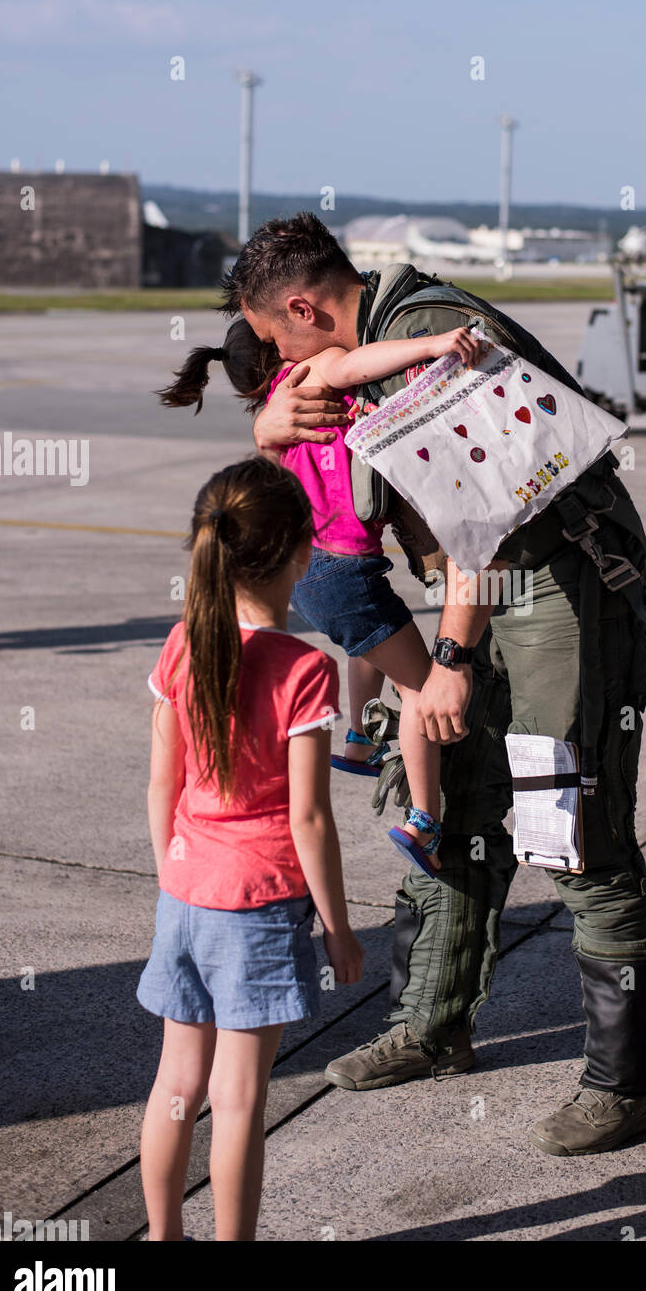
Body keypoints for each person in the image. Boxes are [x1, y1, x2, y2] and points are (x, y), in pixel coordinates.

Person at [223, 212, 646, 1157]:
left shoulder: (431, 337)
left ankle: (624, 1085)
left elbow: (485, 525)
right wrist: (269, 427)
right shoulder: (368, 348)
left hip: (553, 590)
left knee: (567, 812)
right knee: (449, 800)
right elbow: (324, 493)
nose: (283, 366)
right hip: (475, 592)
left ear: (304, 306)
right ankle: (432, 1027)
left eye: (277, 345)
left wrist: (454, 666)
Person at [158, 321, 485, 875]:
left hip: (310, 574)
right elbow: (359, 364)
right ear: (278, 345)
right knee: (420, 687)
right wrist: (434, 344)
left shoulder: (276, 413)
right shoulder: (310, 371)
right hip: (342, 571)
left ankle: (358, 738)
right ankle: (424, 821)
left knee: (371, 640)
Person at [137, 454, 362, 1240]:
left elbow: (161, 788)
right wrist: (337, 927)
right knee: (238, 1100)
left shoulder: (179, 645)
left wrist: (174, 868)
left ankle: (164, 1236)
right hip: (259, 907)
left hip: (186, 892)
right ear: (302, 555)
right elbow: (310, 819)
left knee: (176, 1085)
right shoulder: (304, 668)